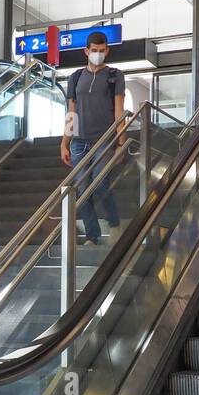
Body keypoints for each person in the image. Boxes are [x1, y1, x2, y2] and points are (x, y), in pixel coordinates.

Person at [59, 31, 126, 245]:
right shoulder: (76, 77)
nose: (98, 54)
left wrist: (122, 143)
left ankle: (115, 223)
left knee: (100, 184)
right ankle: (92, 235)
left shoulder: (114, 75)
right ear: (86, 51)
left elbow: (119, 111)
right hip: (79, 142)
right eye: (94, 51)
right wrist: (65, 142)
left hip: (103, 141)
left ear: (107, 50)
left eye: (102, 50)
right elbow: (72, 111)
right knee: (82, 189)